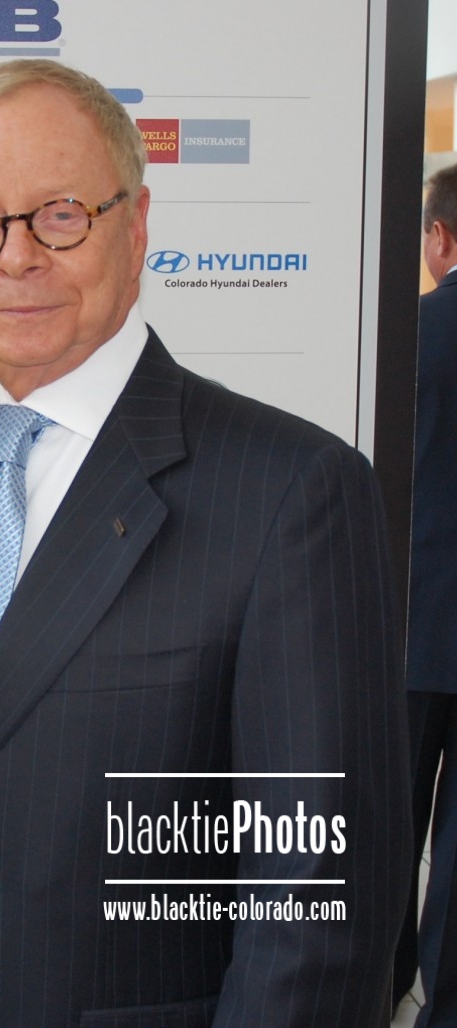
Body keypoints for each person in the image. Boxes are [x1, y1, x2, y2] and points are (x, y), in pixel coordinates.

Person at [0, 59, 411, 1027]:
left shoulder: (290, 490)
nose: (17, 257)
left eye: (60, 214)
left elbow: (314, 900)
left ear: (137, 224)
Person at [393, 161, 457, 1027]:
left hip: (410, 622)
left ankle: (375, 984)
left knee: (386, 821)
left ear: (439, 237)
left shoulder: (408, 334)